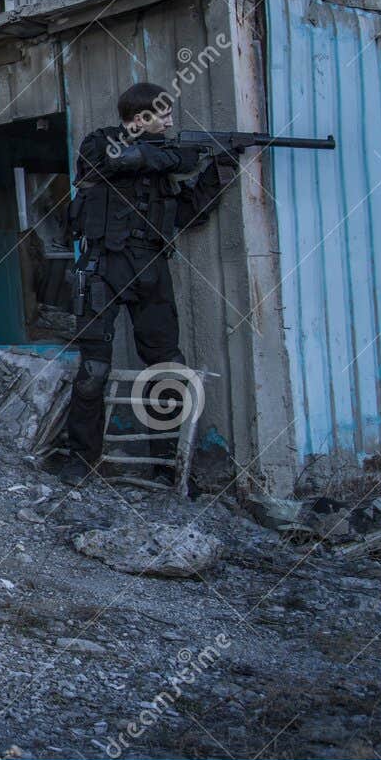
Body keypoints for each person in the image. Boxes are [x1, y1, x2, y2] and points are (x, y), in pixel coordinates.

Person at [60, 83, 240, 484]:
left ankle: (165, 464)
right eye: (164, 114)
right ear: (139, 118)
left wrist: (219, 170)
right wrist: (178, 158)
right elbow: (117, 160)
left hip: (151, 271)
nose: (172, 120)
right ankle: (81, 461)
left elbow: (190, 214)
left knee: (166, 368)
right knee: (92, 371)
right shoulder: (101, 144)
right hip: (103, 267)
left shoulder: (163, 172)